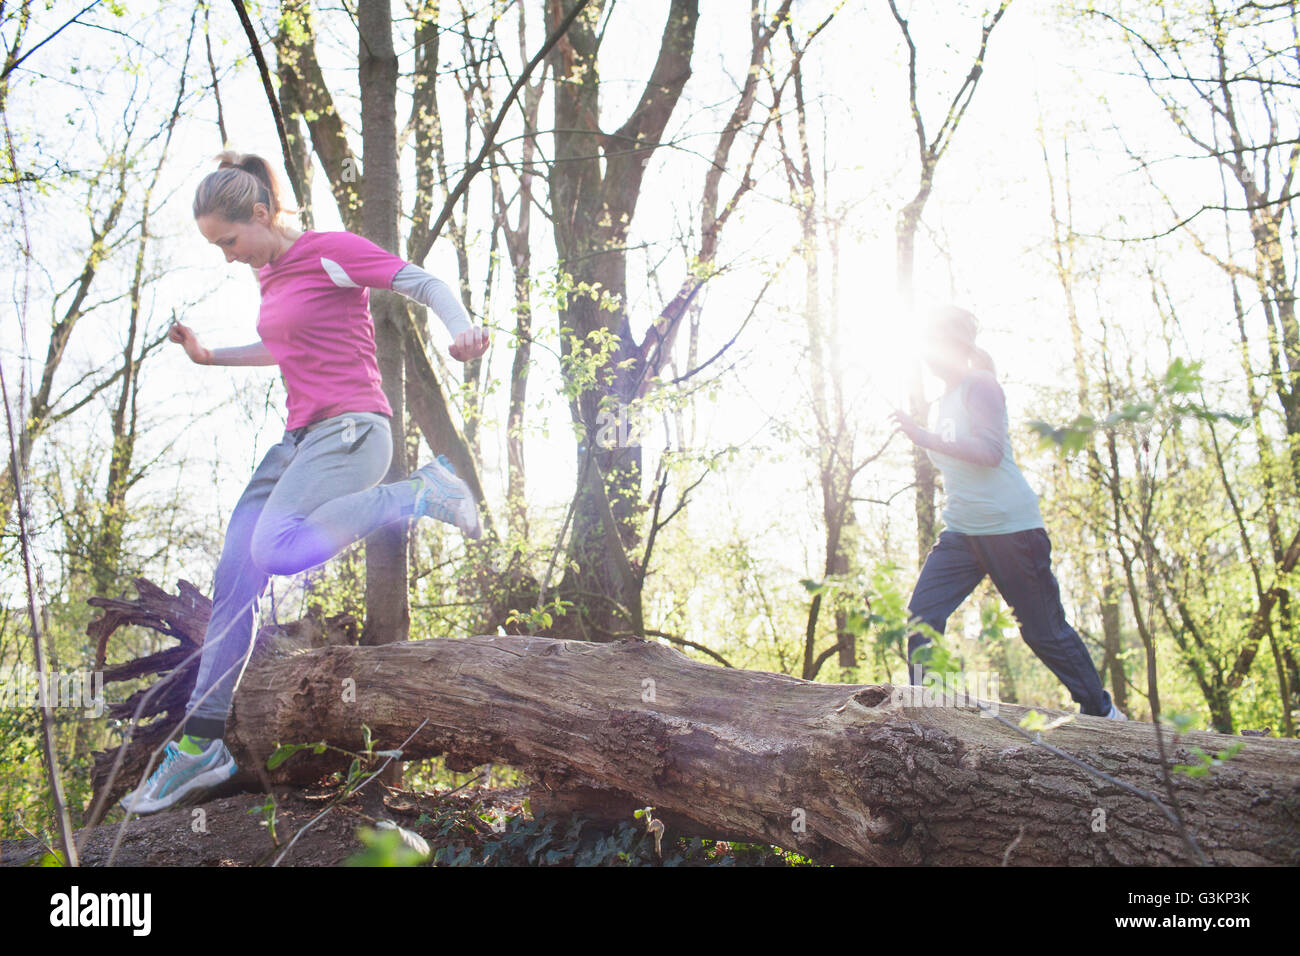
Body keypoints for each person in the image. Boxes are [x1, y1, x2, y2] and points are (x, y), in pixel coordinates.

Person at [120, 152, 490, 815]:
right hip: (294, 444)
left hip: (351, 433)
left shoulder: (329, 251)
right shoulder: (270, 274)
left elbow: (422, 282)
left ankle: (423, 490)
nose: (228, 256)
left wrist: (461, 327)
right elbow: (283, 344)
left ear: (260, 215)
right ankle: (202, 742)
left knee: (278, 550)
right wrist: (210, 357)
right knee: (238, 571)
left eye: (229, 241)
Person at [891, 305, 1125, 720]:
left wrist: (923, 436)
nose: (927, 357)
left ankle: (1102, 714)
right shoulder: (944, 400)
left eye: (934, 347)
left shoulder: (981, 387)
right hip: (963, 532)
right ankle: (927, 715)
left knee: (1043, 632)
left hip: (1011, 530)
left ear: (955, 348)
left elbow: (990, 453)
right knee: (922, 617)